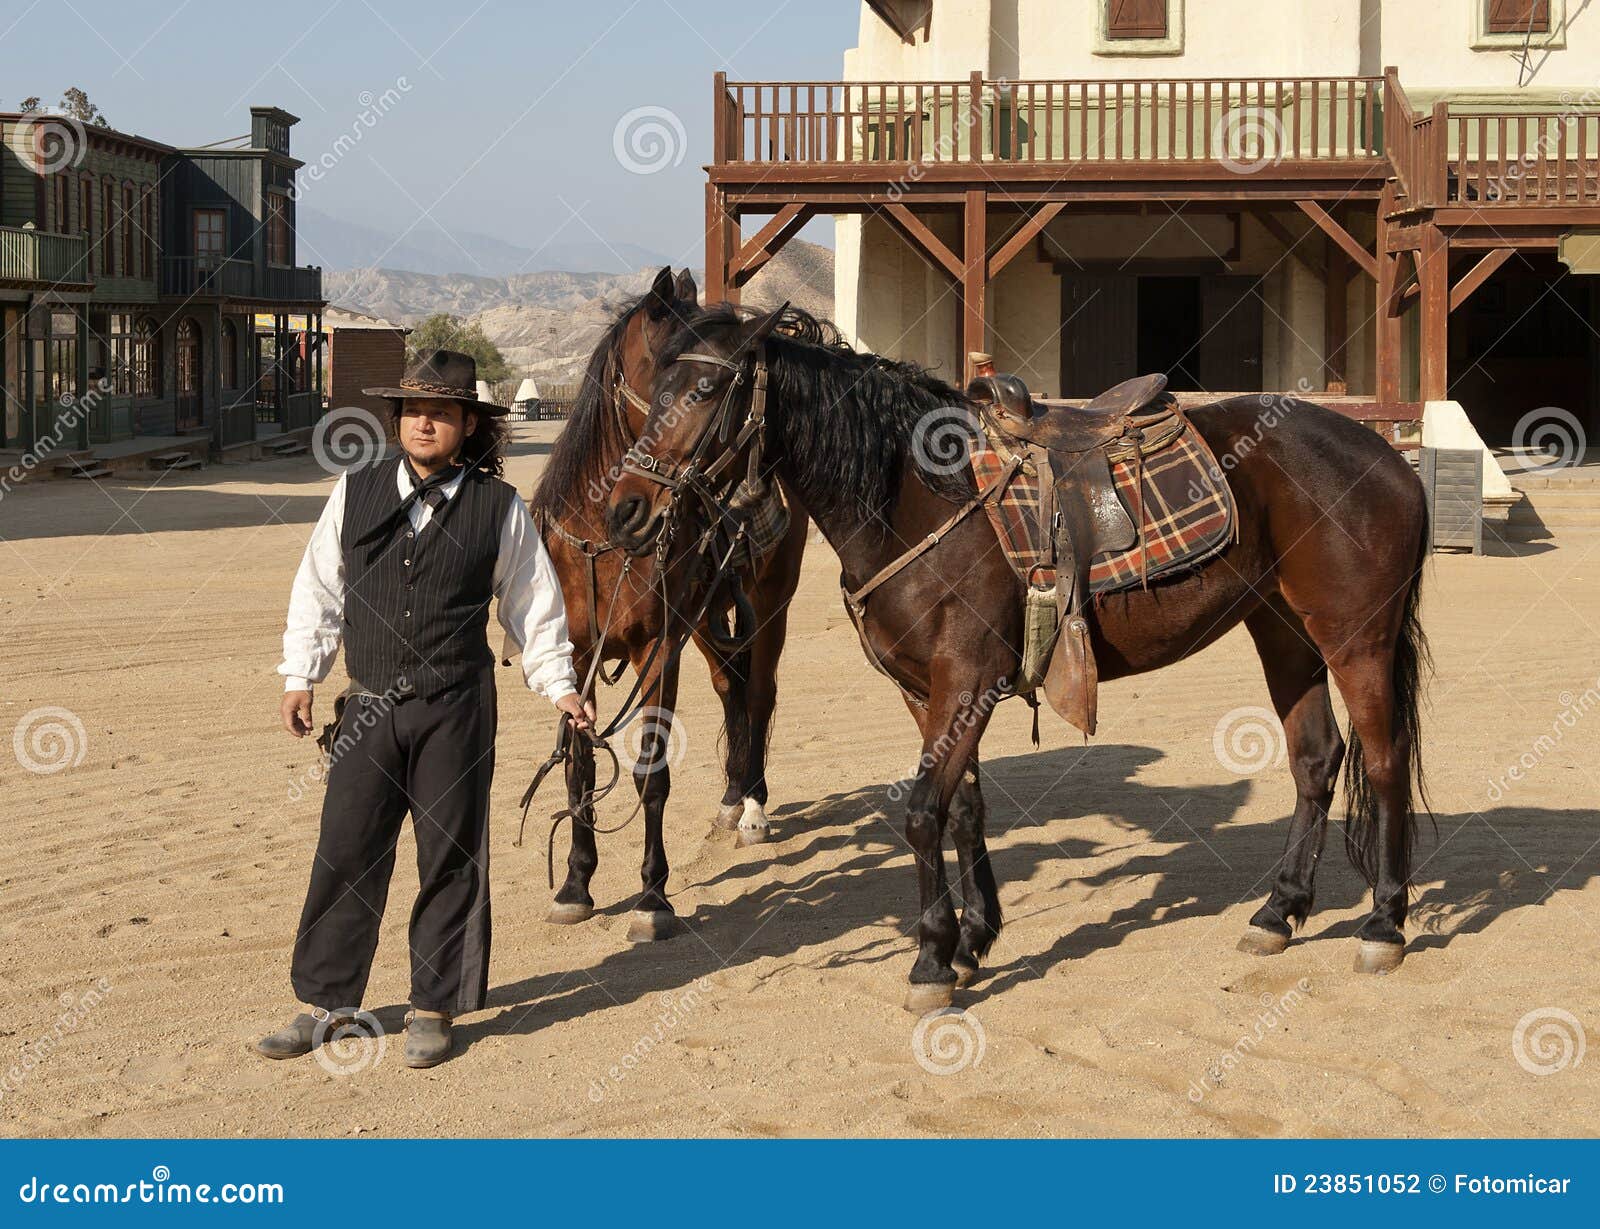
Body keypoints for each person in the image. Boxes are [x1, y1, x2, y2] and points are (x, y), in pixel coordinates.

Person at [257, 349, 593, 1069]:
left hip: (457, 707)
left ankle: (433, 1005)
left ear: (469, 424)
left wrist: (559, 684)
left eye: (441, 412)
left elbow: (534, 605)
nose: (424, 423)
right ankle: (328, 1002)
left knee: (450, 855)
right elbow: (318, 587)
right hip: (369, 708)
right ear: (398, 420)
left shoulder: (498, 508)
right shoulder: (354, 491)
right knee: (346, 849)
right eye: (414, 411)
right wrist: (300, 675)